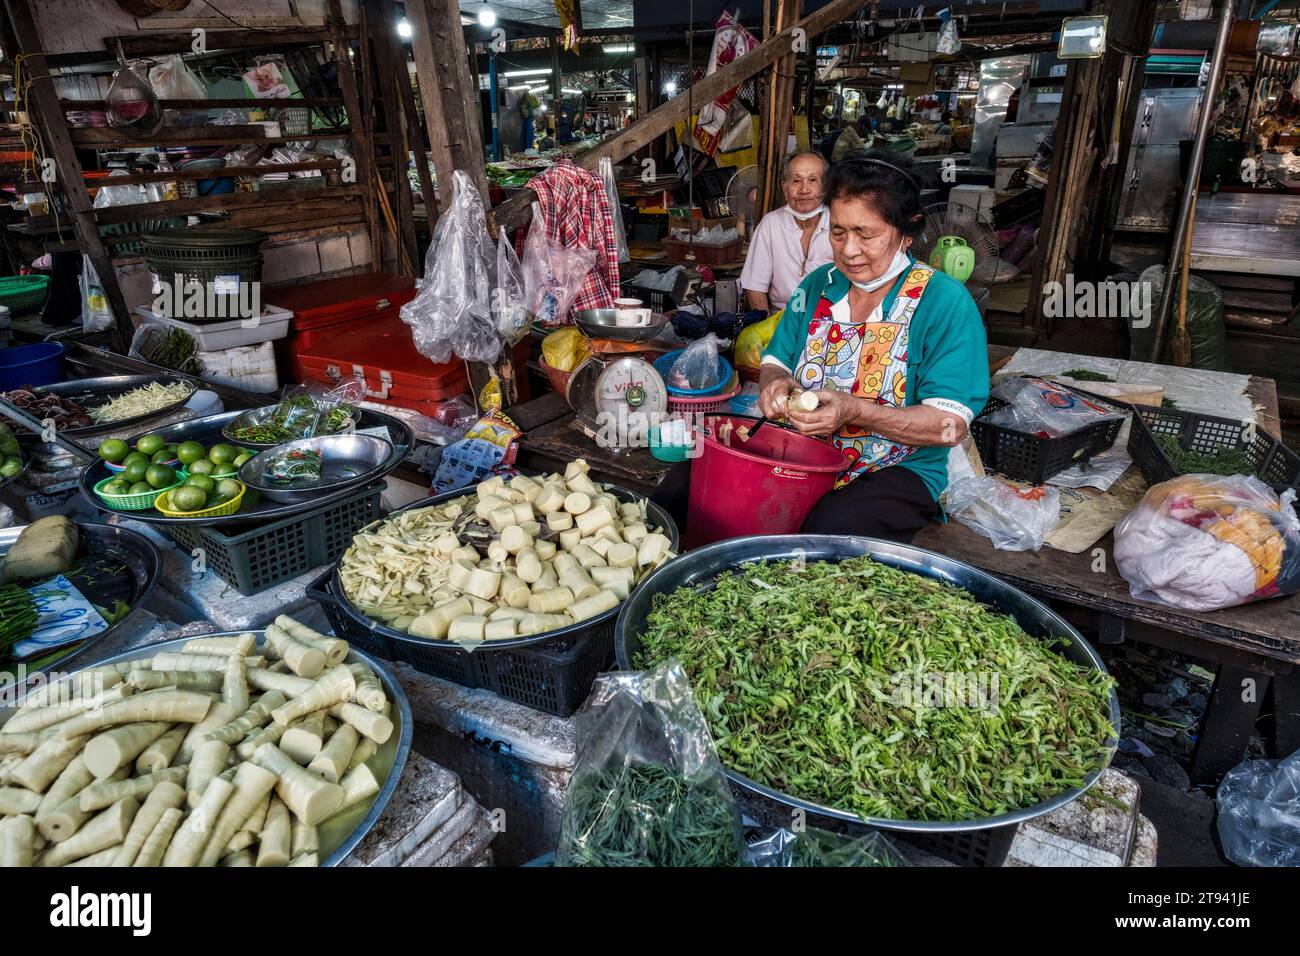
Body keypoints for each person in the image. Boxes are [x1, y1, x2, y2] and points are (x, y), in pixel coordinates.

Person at [652, 150, 989, 543]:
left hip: (893, 467)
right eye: (839, 231)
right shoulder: (817, 286)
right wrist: (775, 384)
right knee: (684, 483)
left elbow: (948, 426)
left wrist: (854, 410)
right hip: (802, 450)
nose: (848, 250)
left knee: (822, 528)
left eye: (867, 234)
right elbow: (776, 361)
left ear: (906, 233)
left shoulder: (944, 302)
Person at [738, 149, 833, 314]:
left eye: (812, 180)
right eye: (796, 181)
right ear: (785, 188)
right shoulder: (771, 224)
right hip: (782, 319)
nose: (804, 189)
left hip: (829, 321)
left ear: (824, 187)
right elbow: (755, 287)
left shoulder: (839, 224)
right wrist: (769, 330)